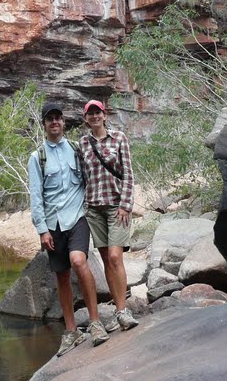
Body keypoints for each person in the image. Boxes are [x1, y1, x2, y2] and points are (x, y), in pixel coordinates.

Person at [29, 102, 110, 357]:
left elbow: (93, 176)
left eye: (58, 118)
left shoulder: (77, 149)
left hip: (77, 218)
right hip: (52, 225)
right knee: (62, 276)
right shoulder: (37, 158)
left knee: (78, 261)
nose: (54, 122)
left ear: (64, 122)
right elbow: (36, 197)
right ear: (44, 124)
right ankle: (71, 331)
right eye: (50, 119)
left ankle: (95, 323)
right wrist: (42, 230)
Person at [79, 99, 139, 333]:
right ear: (86, 118)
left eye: (98, 113)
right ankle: (118, 309)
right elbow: (82, 177)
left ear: (104, 115)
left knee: (115, 257)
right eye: (90, 114)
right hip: (94, 209)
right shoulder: (83, 144)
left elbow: (128, 174)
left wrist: (126, 205)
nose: (95, 116)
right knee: (106, 259)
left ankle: (123, 311)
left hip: (116, 207)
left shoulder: (119, 138)